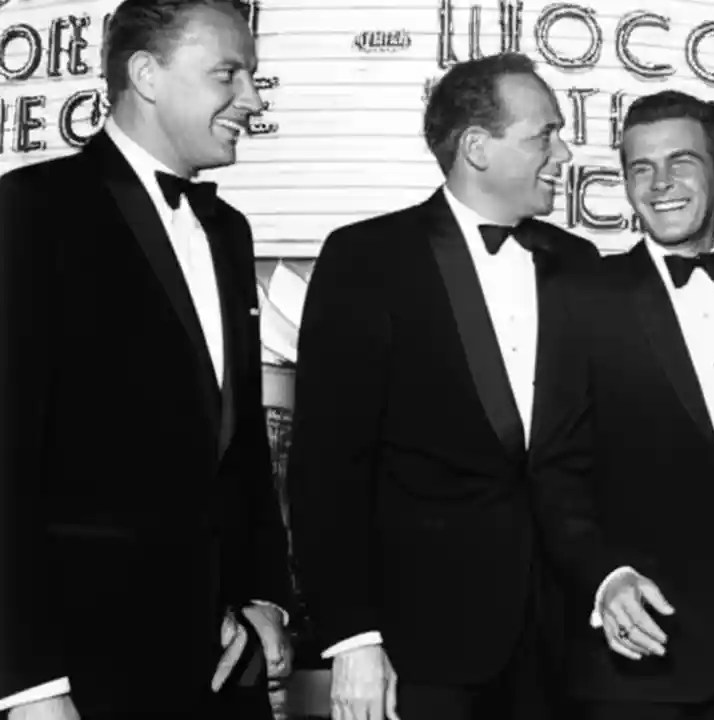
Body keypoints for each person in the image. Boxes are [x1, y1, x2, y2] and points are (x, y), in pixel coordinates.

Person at [0, 0, 294, 717]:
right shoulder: (32, 210)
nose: (252, 100)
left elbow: (241, 447)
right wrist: (29, 684)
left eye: (252, 76)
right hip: (82, 675)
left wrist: (266, 601)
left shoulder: (228, 230)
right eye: (229, 73)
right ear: (146, 75)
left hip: (223, 666)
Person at [284, 52, 599, 720]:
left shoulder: (577, 261)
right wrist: (352, 637)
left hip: (561, 648)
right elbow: (326, 469)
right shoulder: (367, 258)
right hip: (418, 650)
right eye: (544, 134)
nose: (564, 152)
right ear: (477, 147)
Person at [528, 89, 714, 720]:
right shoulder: (579, 298)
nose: (660, 184)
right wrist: (604, 579)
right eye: (639, 168)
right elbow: (553, 469)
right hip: (635, 664)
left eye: (682, 163)